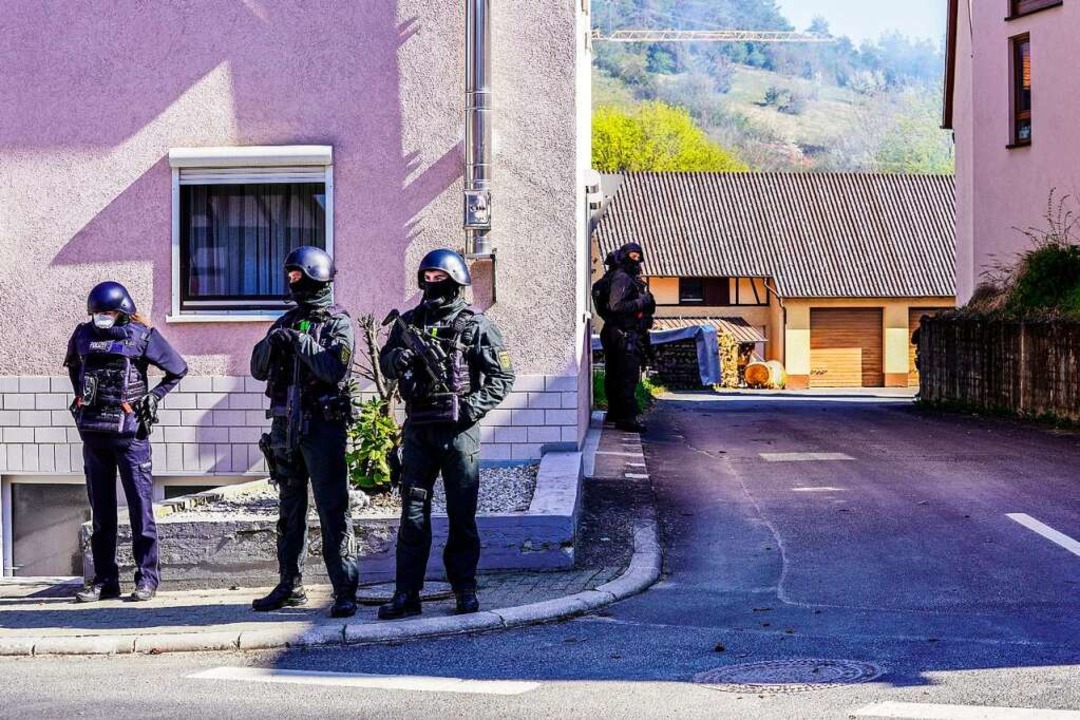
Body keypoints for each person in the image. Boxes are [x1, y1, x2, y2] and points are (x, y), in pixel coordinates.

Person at [377, 249, 515, 619]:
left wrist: (469, 408)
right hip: (419, 431)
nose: (433, 284)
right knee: (413, 516)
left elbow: (503, 377)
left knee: (461, 516)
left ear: (456, 282)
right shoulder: (408, 323)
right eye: (428, 277)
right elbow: (385, 361)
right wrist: (397, 360)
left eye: (441, 278)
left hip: (459, 436)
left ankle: (464, 590)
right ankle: (407, 594)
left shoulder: (477, 325)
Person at [250, 246, 360, 618]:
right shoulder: (284, 321)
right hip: (285, 429)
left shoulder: (338, 322)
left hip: (322, 428)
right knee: (289, 511)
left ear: (316, 278)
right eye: (290, 277)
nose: (292, 283)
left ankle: (344, 589)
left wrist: (301, 341)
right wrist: (272, 343)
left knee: (333, 510)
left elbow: (334, 369)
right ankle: (289, 585)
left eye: (298, 277)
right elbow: (258, 369)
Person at [65, 282, 188, 602]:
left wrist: (153, 397)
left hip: (130, 435)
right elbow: (75, 369)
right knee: (102, 514)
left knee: (140, 510)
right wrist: (82, 400)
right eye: (95, 313)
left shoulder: (141, 336)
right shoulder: (82, 335)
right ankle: (105, 581)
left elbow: (177, 369)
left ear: (122, 313)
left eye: (106, 313)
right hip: (94, 435)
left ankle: (147, 579)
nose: (100, 318)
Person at [601, 242, 655, 433]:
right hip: (623, 335)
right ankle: (626, 419)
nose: (637, 259)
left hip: (623, 333)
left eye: (638, 256)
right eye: (632, 256)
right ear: (624, 256)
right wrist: (642, 301)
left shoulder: (627, 277)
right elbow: (616, 306)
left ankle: (617, 413)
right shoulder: (622, 278)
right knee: (626, 377)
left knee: (618, 375)